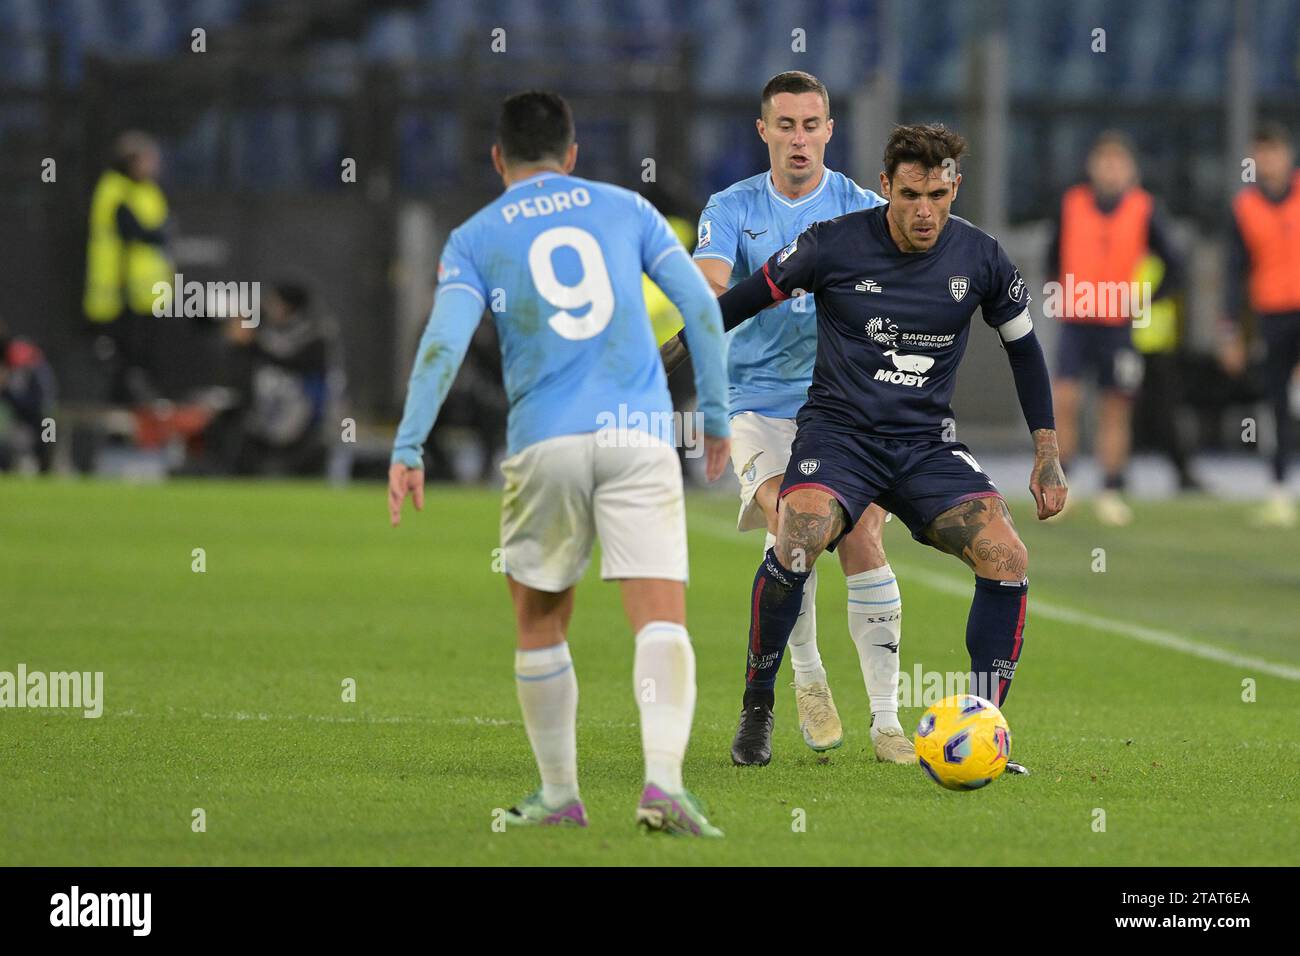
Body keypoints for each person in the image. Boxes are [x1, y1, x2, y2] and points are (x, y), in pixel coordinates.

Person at [386, 91, 732, 836]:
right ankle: (664, 785)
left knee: (540, 616)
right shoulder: (627, 210)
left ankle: (558, 795)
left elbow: (443, 344)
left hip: (545, 440)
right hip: (640, 435)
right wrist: (716, 417)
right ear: (572, 154)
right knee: (660, 615)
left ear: (497, 159)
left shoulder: (474, 238)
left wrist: (410, 444)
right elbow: (703, 309)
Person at [709, 123, 1067, 775]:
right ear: (884, 188)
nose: (924, 210)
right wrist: (662, 359)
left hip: (925, 444)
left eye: (937, 193)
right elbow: (734, 304)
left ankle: (984, 728)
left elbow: (1025, 349)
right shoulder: (832, 245)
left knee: (1006, 555)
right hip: (839, 437)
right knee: (796, 538)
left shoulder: (982, 258)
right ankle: (757, 707)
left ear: (954, 187)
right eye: (909, 195)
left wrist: (1046, 449)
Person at [660, 71, 913, 767]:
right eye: (786, 125)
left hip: (844, 406)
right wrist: (745, 293)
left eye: (811, 125)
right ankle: (805, 677)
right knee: (791, 530)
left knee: (862, 535)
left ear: (830, 131)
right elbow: (711, 284)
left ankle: (888, 721)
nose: (799, 138)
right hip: (757, 403)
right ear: (764, 131)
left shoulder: (863, 208)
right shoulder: (733, 207)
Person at [1047, 131, 1185, 525]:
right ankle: (1063, 486)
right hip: (1075, 322)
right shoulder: (1071, 204)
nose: (1110, 171)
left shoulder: (1144, 209)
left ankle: (1110, 488)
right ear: (1092, 166)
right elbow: (1052, 256)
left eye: (1117, 163)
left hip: (1118, 327)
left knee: (1115, 407)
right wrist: (1063, 293)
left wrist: (1146, 299)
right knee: (1066, 402)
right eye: (1104, 162)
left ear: (1131, 170)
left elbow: (1175, 263)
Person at [1220, 122, 1300, 527]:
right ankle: (1279, 490)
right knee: (1277, 403)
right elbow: (1235, 274)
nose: (1267, 162)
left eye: (1273, 152)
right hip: (1272, 315)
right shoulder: (1245, 208)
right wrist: (1232, 330)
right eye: (1260, 155)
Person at [83, 130, 174, 405]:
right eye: (148, 160)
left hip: (146, 292)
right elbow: (136, 232)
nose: (154, 166)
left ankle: (141, 405)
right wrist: (155, 234)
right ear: (131, 161)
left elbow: (162, 231)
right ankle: (119, 410)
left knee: (143, 355)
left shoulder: (148, 190)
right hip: (119, 291)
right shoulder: (115, 190)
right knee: (119, 357)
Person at [223, 282, 340, 476]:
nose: (270, 308)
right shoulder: (266, 328)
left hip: (306, 415)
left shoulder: (314, 335)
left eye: (275, 302)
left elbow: (291, 360)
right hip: (264, 413)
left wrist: (251, 343)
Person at [0, 318, 57, 473]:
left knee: (49, 429)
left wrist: (7, 390)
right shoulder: (9, 366)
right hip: (16, 416)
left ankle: (46, 470)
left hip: (38, 413)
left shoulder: (34, 370)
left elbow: (40, 402)